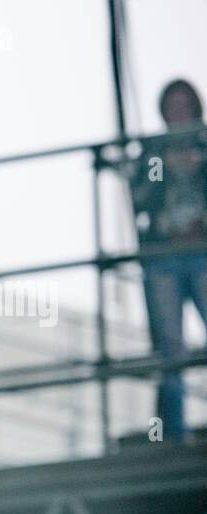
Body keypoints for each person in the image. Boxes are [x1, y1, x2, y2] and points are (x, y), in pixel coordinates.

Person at [129, 79, 207, 443]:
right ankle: (172, 433)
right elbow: (142, 195)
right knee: (170, 346)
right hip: (165, 256)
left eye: (183, 105)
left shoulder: (205, 144)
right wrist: (164, 168)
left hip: (202, 252)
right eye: (172, 105)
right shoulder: (154, 150)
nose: (178, 112)